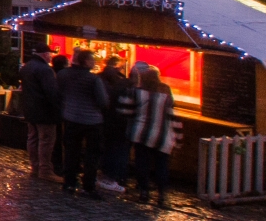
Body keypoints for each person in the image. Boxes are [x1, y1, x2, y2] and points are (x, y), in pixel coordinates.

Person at [128, 61, 180, 207]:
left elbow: (127, 110)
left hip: (141, 134)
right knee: (161, 166)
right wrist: (179, 137)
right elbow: (172, 114)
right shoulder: (165, 91)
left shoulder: (137, 91)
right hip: (162, 136)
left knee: (142, 164)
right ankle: (162, 195)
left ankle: (144, 192)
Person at [57, 48, 107, 197]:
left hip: (71, 117)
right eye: (92, 60)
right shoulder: (93, 79)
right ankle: (88, 186)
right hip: (92, 120)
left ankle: (69, 183)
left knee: (71, 152)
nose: (94, 62)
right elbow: (103, 101)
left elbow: (59, 93)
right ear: (86, 61)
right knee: (92, 155)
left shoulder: (63, 74)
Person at [18, 45, 62, 181]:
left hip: (30, 110)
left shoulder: (27, 67)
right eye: (50, 54)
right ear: (45, 54)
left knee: (33, 138)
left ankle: (35, 167)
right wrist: (59, 108)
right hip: (45, 111)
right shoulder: (45, 70)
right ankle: (45, 170)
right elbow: (51, 92)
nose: (51, 56)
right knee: (46, 140)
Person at [97, 54, 133, 194]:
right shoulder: (122, 84)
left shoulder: (99, 78)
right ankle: (116, 177)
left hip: (106, 121)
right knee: (119, 150)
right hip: (119, 124)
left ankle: (106, 175)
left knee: (108, 149)